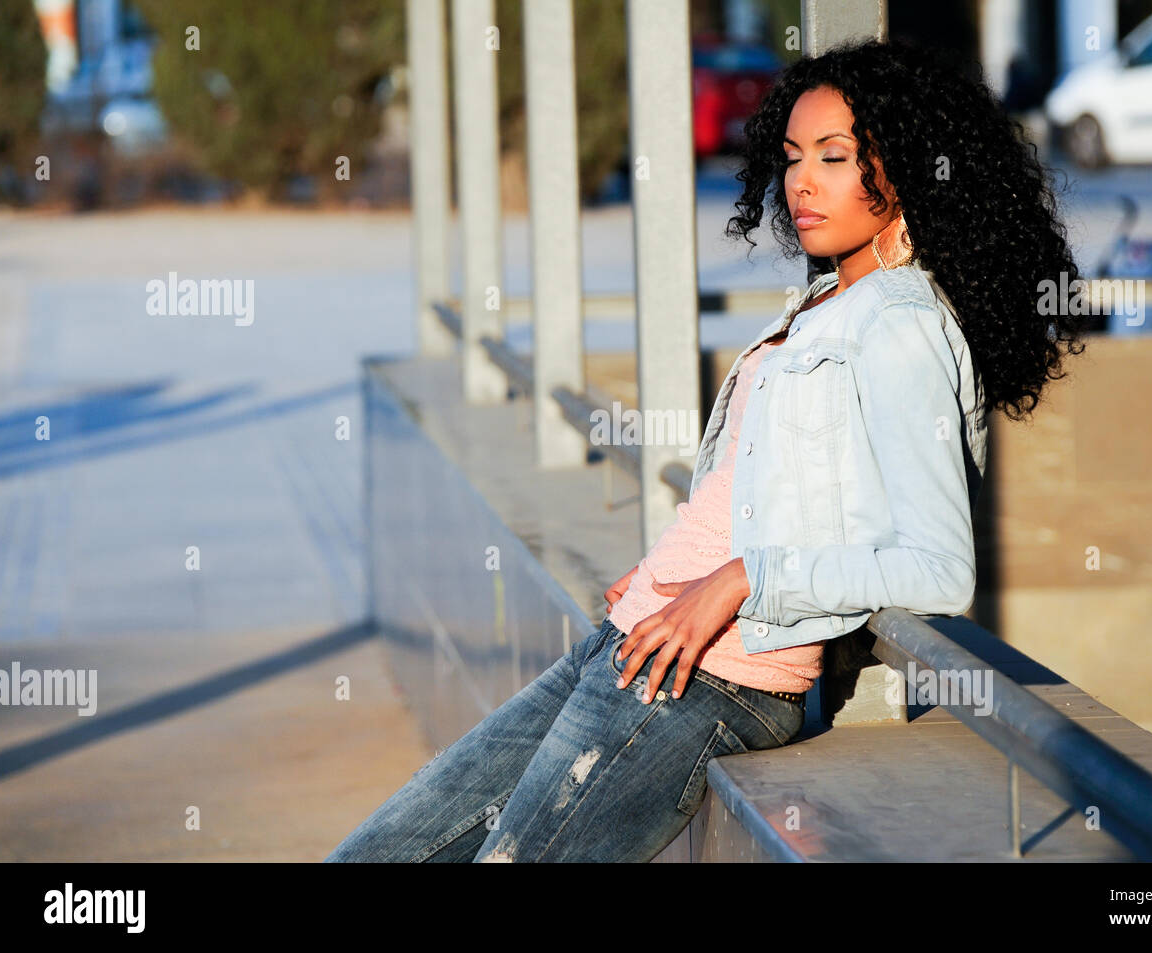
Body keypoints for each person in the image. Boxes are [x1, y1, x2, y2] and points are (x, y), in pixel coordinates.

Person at [324, 36, 1085, 863]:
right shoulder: (828, 299)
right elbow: (758, 486)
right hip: (640, 638)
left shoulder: (901, 326)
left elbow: (939, 568)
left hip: (717, 680)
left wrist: (740, 579)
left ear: (903, 168)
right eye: (793, 156)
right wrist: (671, 568)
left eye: (835, 157)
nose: (802, 181)